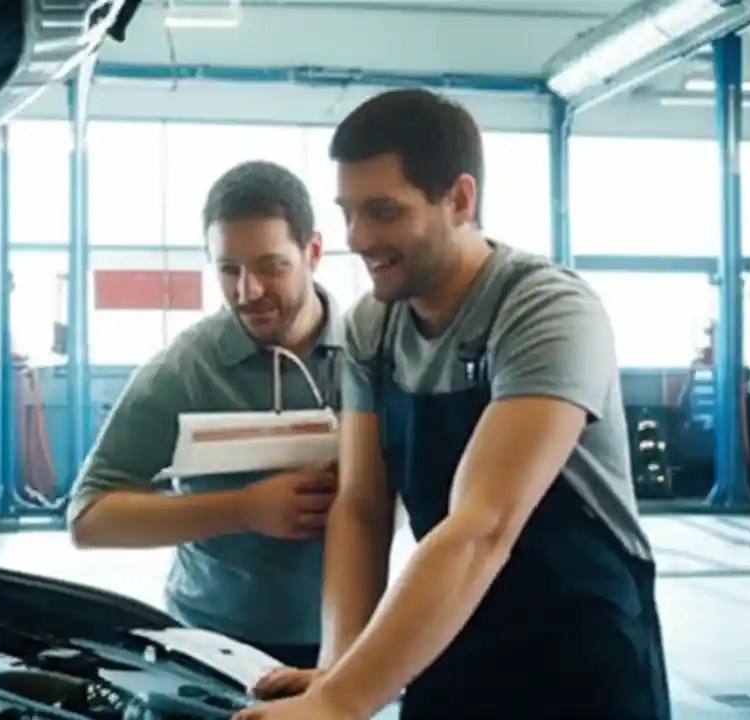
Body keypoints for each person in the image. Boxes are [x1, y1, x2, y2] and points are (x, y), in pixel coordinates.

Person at [236, 90, 671, 719]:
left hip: (581, 655)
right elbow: (361, 509)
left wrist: (342, 704)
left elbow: (483, 524)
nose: (359, 238)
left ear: (460, 199)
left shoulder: (545, 311)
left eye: (383, 211)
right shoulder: (372, 329)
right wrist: (338, 668)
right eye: (349, 212)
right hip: (441, 633)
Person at [67, 159, 345, 668]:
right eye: (229, 269)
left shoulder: (375, 354)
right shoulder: (184, 371)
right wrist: (243, 508)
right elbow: (89, 518)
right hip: (211, 644)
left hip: (345, 645)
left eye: (270, 265)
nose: (248, 291)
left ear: (313, 253)